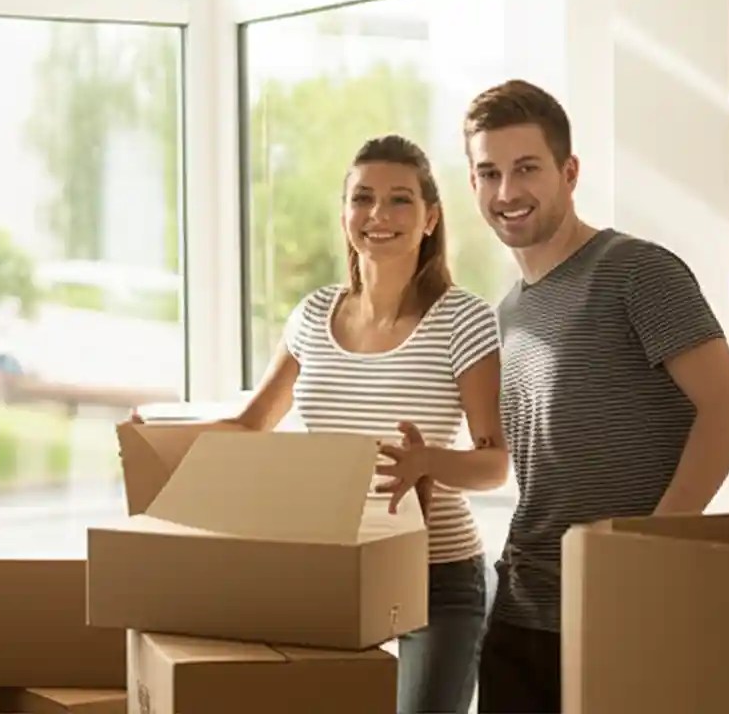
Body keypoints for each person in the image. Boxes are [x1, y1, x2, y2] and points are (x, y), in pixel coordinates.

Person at [133, 134, 510, 714]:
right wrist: (159, 431)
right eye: (363, 198)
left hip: (435, 574)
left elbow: (494, 463)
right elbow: (252, 423)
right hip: (331, 569)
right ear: (344, 214)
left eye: (400, 200)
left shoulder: (464, 319)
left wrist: (428, 461)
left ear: (431, 218)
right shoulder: (313, 315)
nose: (379, 214)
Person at [461, 79, 729, 713]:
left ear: (569, 172)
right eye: (489, 173)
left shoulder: (636, 272)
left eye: (526, 168)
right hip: (521, 612)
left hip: (624, 608)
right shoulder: (510, 311)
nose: (506, 192)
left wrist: (646, 552)